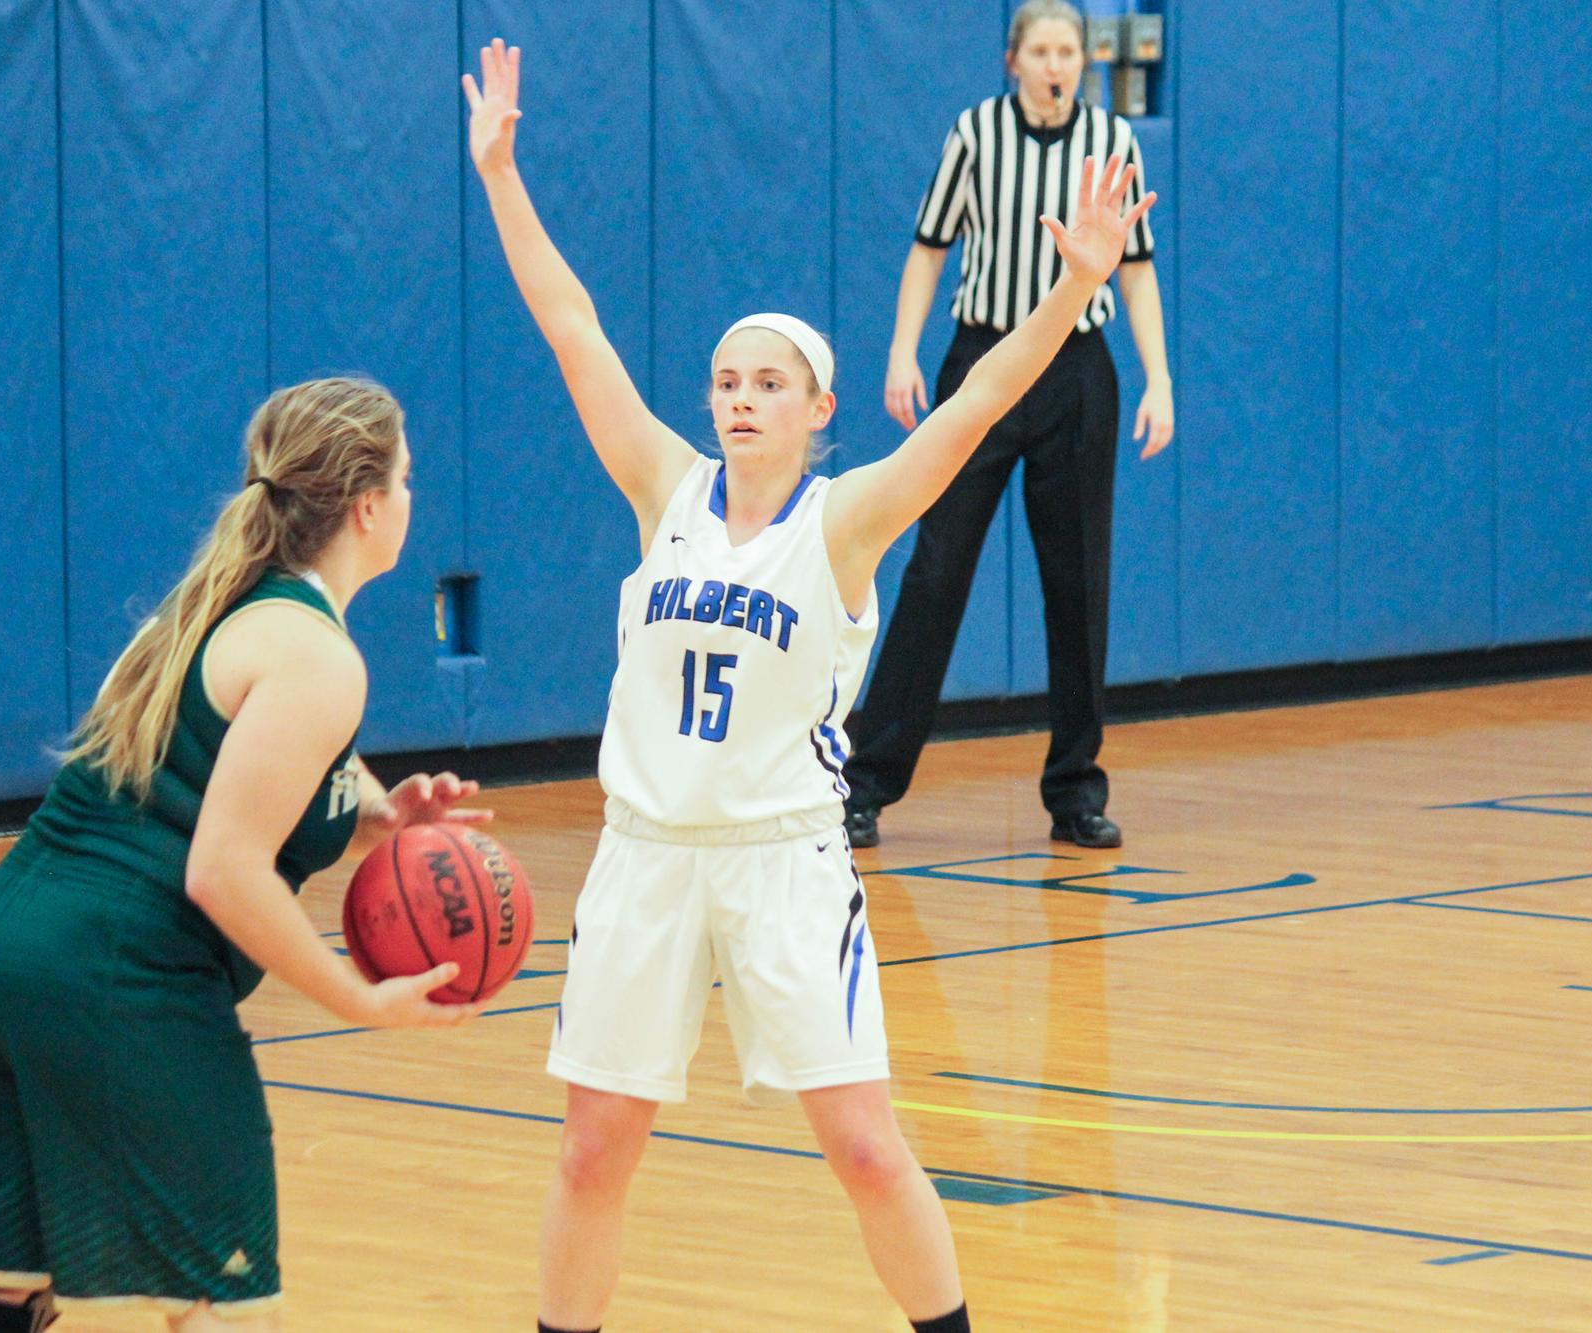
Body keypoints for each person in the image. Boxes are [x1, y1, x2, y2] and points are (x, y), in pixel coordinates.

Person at [463, 36, 1153, 1333]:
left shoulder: (843, 520)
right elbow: (571, 325)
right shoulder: (664, 491)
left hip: (783, 862)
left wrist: (1074, 288)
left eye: (767, 384)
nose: (739, 399)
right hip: (644, 855)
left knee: (869, 1147)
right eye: (726, 381)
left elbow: (974, 403)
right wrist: (501, 173)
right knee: (592, 1151)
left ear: (817, 407)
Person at [0, 378, 486, 1333]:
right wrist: (355, 998)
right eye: (407, 477)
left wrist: (376, 811)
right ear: (366, 505)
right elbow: (222, 869)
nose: (411, 496)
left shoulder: (207, 607)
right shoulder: (318, 656)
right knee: (229, 1308)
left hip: (0, 956)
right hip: (121, 979)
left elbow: (219, 761)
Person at [842, 0, 1171, 851]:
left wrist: (1159, 378)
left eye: (1069, 51)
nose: (1058, 64)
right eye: (1043, 50)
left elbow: (1136, 270)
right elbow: (928, 248)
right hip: (984, 364)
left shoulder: (1114, 143)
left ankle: (1076, 793)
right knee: (936, 568)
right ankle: (865, 784)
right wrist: (903, 351)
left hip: (1076, 371)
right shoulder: (975, 133)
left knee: (1079, 581)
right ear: (1012, 61)